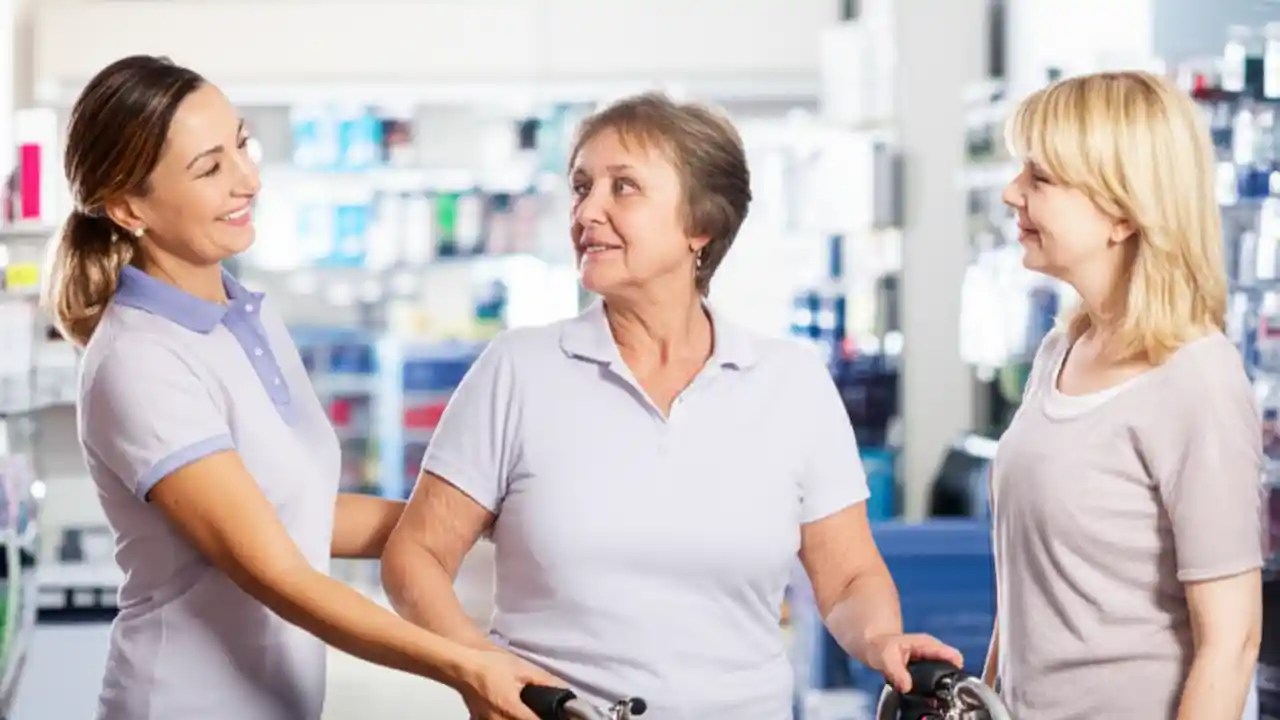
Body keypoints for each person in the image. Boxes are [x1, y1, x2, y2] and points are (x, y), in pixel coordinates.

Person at [380, 92, 961, 719]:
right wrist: (475, 665)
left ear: (699, 226)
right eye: (581, 187)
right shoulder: (519, 370)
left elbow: (848, 577)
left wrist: (880, 639)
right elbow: (417, 555)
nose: (586, 212)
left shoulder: (790, 382)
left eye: (622, 188)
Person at [47, 55, 558, 720]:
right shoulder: (140, 361)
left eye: (240, 144)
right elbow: (277, 575)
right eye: (209, 168)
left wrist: (486, 520)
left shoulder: (245, 314)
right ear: (127, 206)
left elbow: (300, 512)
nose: (247, 179)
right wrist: (464, 665)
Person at [984, 70, 1265, 719]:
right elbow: (1028, 597)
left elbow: (1231, 642)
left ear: (1122, 213)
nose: (1011, 193)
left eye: (1040, 179)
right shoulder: (1062, 349)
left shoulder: (1196, 379)